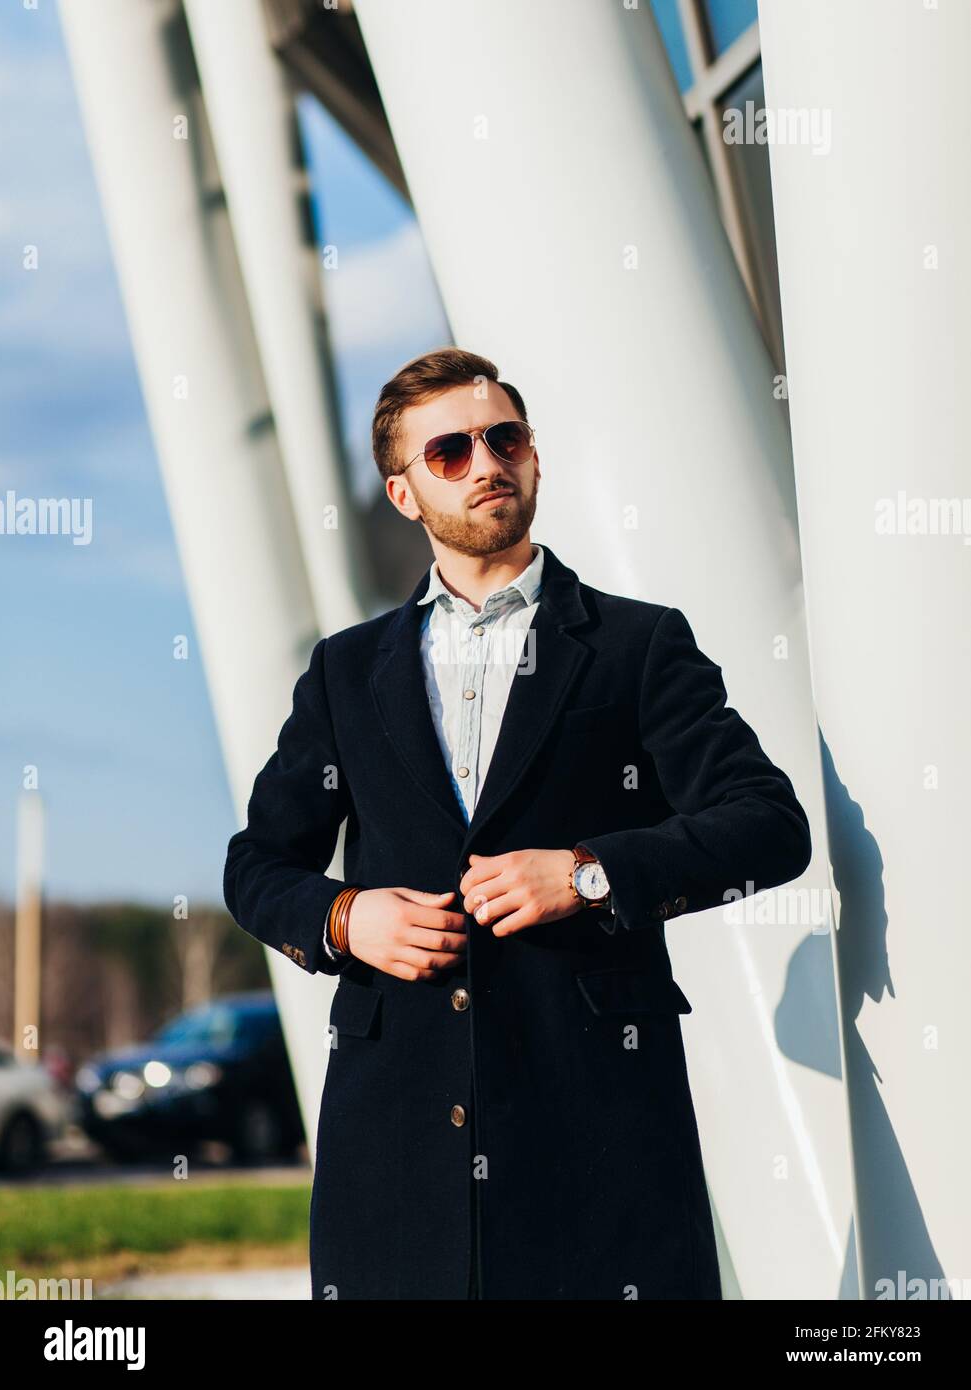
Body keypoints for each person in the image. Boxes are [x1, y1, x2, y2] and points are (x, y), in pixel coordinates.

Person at [223, 346, 812, 1300]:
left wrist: (586, 872)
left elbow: (770, 826)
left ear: (533, 456)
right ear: (405, 494)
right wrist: (343, 920)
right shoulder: (345, 670)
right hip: (395, 1143)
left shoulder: (636, 644)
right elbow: (257, 864)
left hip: (595, 1133)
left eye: (504, 438)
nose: (486, 462)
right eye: (449, 451)